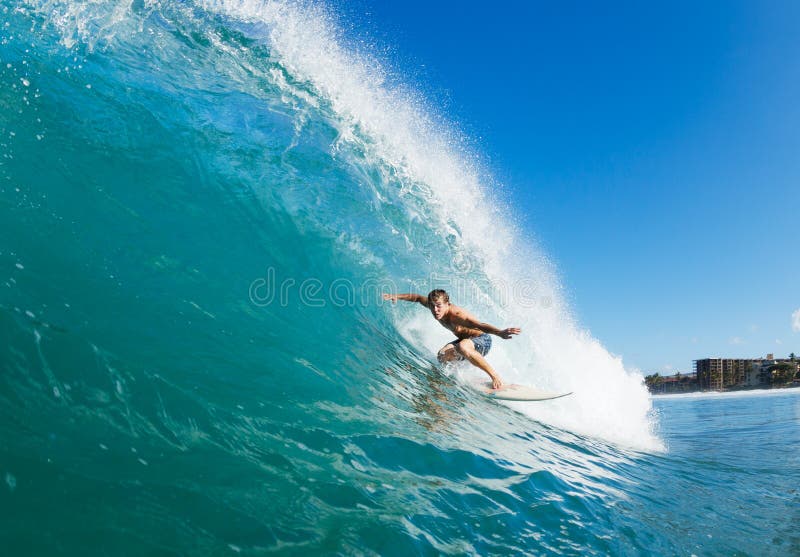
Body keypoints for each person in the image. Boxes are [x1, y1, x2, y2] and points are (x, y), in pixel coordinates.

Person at [382, 289, 520, 390]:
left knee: (463, 347)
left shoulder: (457, 315)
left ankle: (495, 376)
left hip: (482, 339)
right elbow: (418, 298)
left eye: (439, 306)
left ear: (447, 304)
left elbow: (480, 325)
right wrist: (397, 296)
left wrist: (500, 332)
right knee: (442, 355)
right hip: (465, 340)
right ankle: (463, 375)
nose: (435, 310)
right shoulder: (433, 306)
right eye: (432, 306)